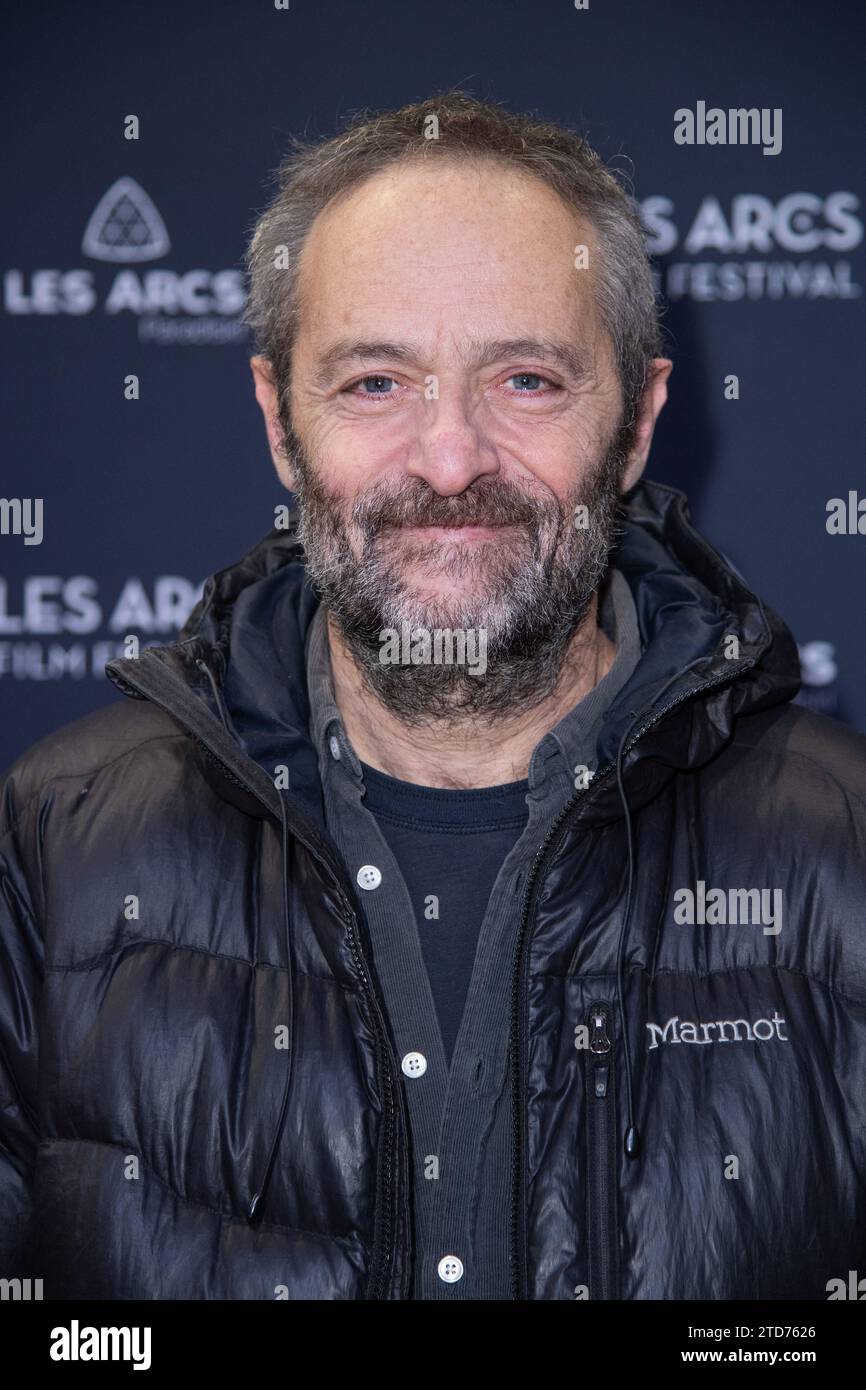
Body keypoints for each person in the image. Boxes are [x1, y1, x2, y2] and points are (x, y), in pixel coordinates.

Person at [1, 91, 864, 1301]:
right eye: (373, 384)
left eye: (522, 379)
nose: (449, 461)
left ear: (634, 427)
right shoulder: (48, 850)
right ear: (278, 423)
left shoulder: (845, 855)